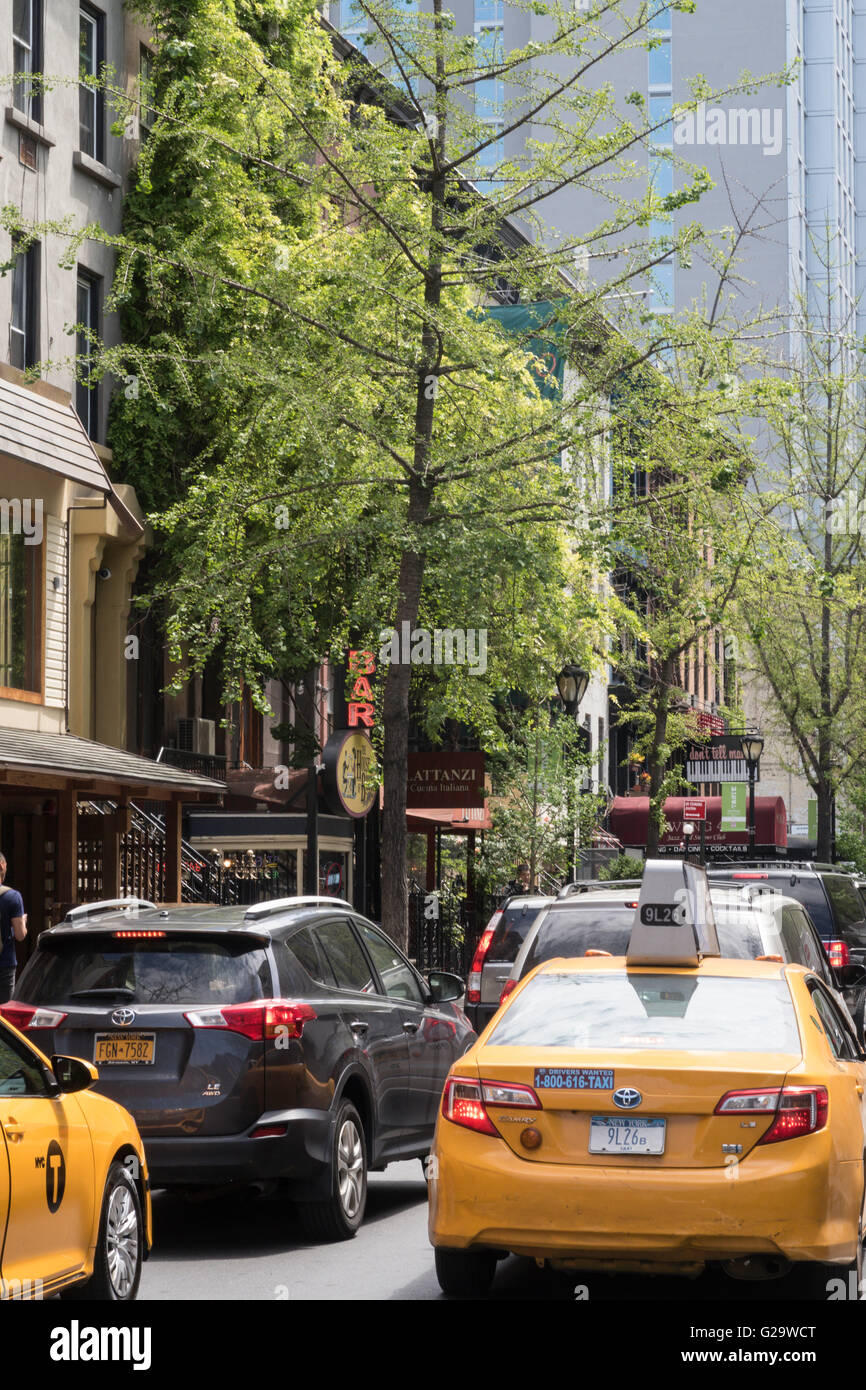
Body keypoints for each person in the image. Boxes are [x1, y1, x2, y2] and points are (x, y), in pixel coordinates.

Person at [0, 852, 27, 1005]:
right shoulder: (12, 897)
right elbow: (20, 935)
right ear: (2, 866)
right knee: (4, 1013)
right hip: (4, 963)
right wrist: (23, 921)